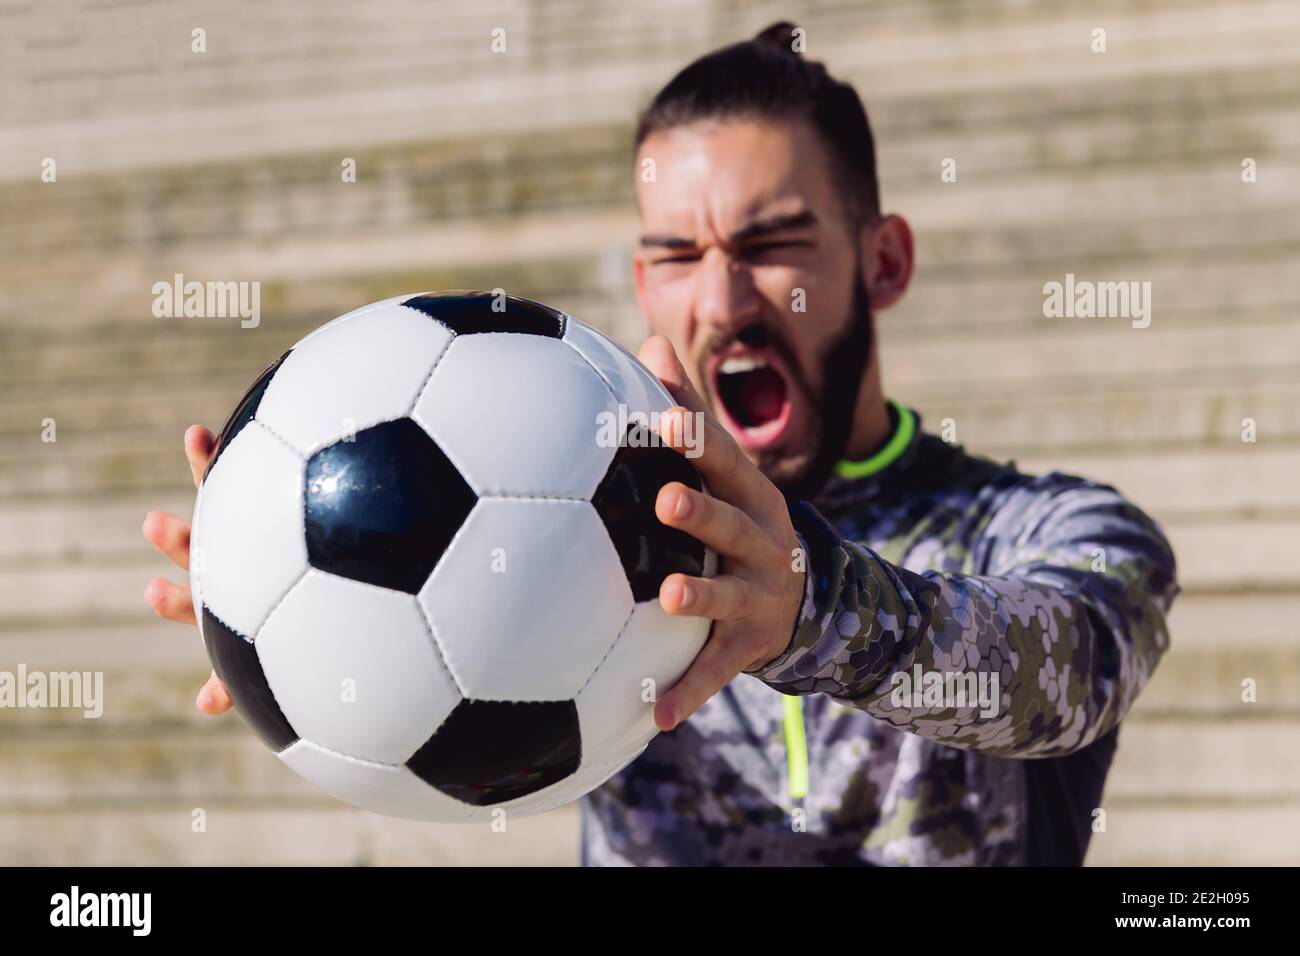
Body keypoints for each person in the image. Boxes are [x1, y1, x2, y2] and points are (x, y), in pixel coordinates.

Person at [144, 22, 1178, 865]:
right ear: (644, 288)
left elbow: (1075, 667)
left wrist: (810, 607)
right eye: (678, 254)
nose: (723, 300)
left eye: (772, 246)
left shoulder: (1050, 523)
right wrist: (293, 598)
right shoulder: (572, 520)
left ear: (885, 262)